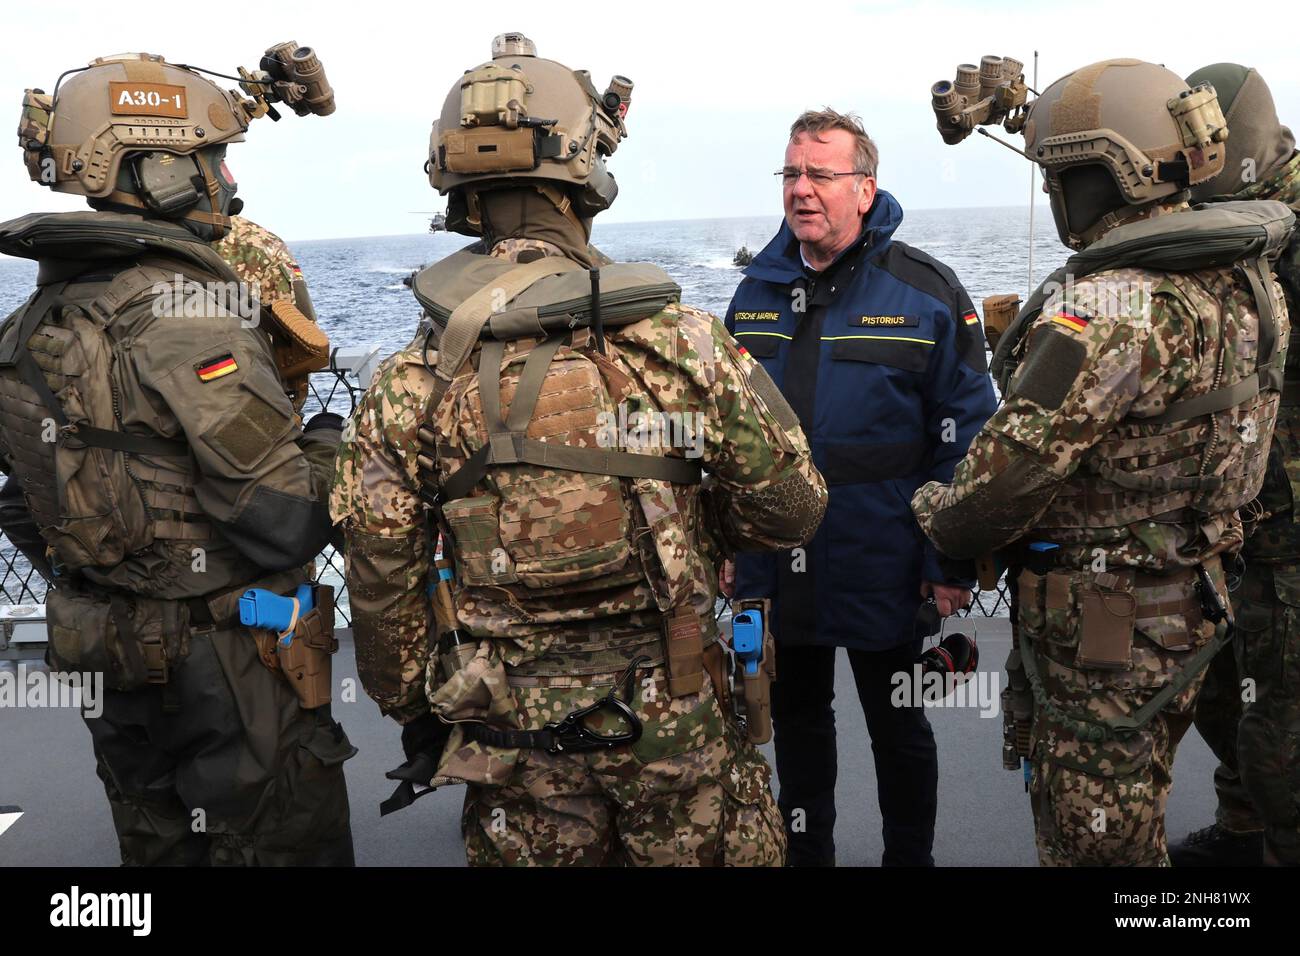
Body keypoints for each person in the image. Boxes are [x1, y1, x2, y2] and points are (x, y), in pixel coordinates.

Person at [331, 32, 827, 866]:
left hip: (511, 730)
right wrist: (704, 522)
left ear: (452, 181)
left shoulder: (411, 376)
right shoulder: (680, 342)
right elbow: (792, 506)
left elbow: (380, 569)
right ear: (584, 172)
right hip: (676, 715)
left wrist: (411, 698)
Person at [912, 58, 1292, 866]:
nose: (1052, 195)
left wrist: (929, 513)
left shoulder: (1108, 306)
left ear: (1102, 175)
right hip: (1196, 597)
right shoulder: (1248, 281)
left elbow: (999, 485)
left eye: (1061, 176)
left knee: (1101, 848)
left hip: (1102, 633)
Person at [0, 52, 354, 865]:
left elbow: (23, 504)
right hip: (227, 665)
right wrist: (333, 442)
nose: (227, 184)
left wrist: (115, 579)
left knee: (157, 847)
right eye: (213, 161)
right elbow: (286, 523)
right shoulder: (188, 317)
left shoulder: (26, 328)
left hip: (104, 650)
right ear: (159, 172)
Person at [724, 108, 997, 866]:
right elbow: (724, 438)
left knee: (899, 725)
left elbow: (969, 435)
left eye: (821, 174)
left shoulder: (926, 292)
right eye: (791, 173)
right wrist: (733, 550)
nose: (802, 189)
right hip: (781, 561)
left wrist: (949, 562)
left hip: (889, 555)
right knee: (797, 723)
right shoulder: (753, 297)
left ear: (865, 189)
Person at [1170, 62, 1300, 868]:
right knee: (1221, 683)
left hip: (1287, 520)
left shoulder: (1277, 228)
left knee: (1280, 711)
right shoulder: (1229, 223)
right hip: (1236, 508)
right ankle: (1245, 822)